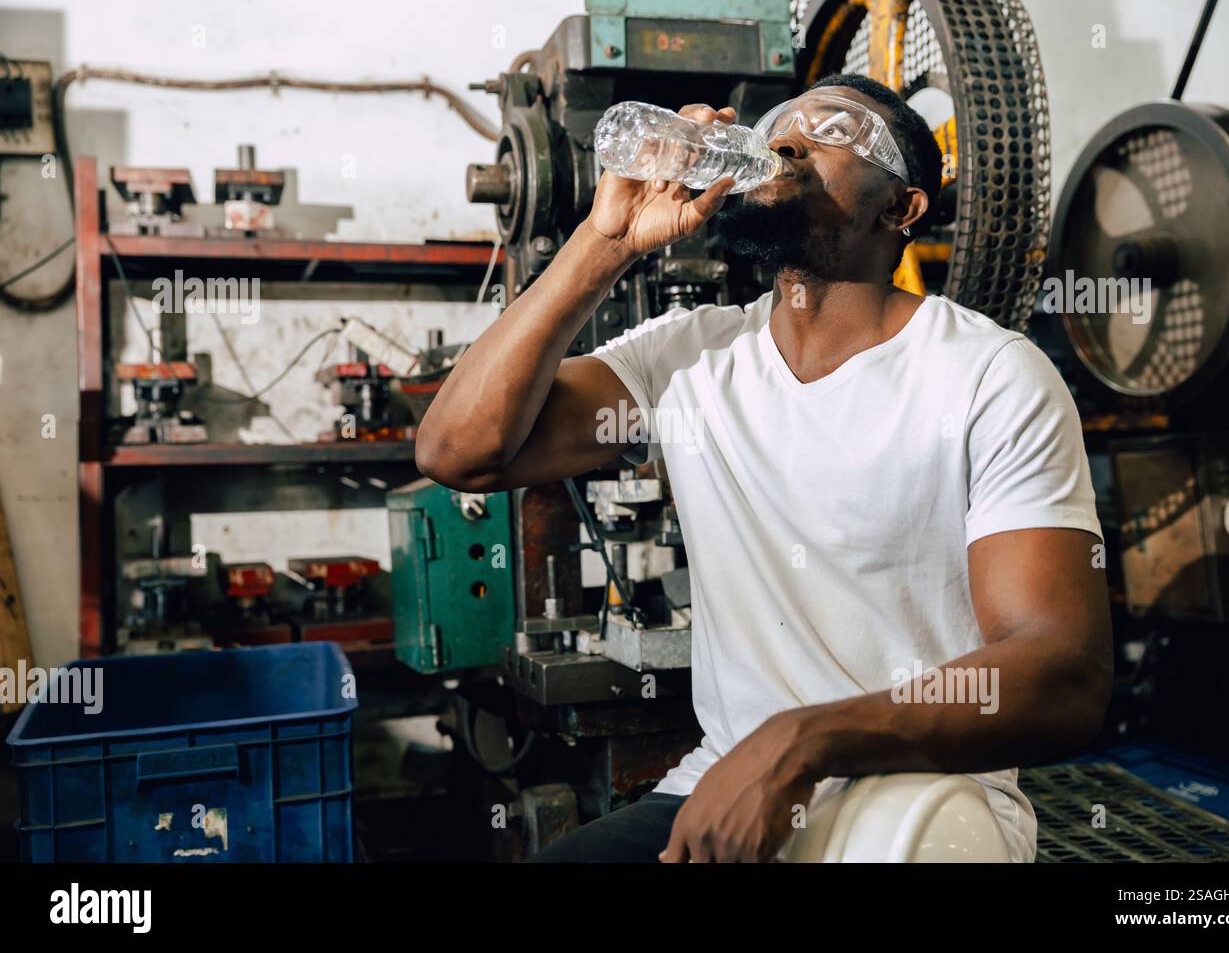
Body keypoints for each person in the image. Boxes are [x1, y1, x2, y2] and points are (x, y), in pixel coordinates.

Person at [416, 73, 1113, 863]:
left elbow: (1063, 671)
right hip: (727, 783)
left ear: (901, 207)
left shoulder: (990, 375)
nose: (784, 139)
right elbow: (456, 451)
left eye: (834, 130)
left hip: (924, 802)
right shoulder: (687, 357)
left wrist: (805, 739)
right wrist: (602, 245)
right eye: (782, 123)